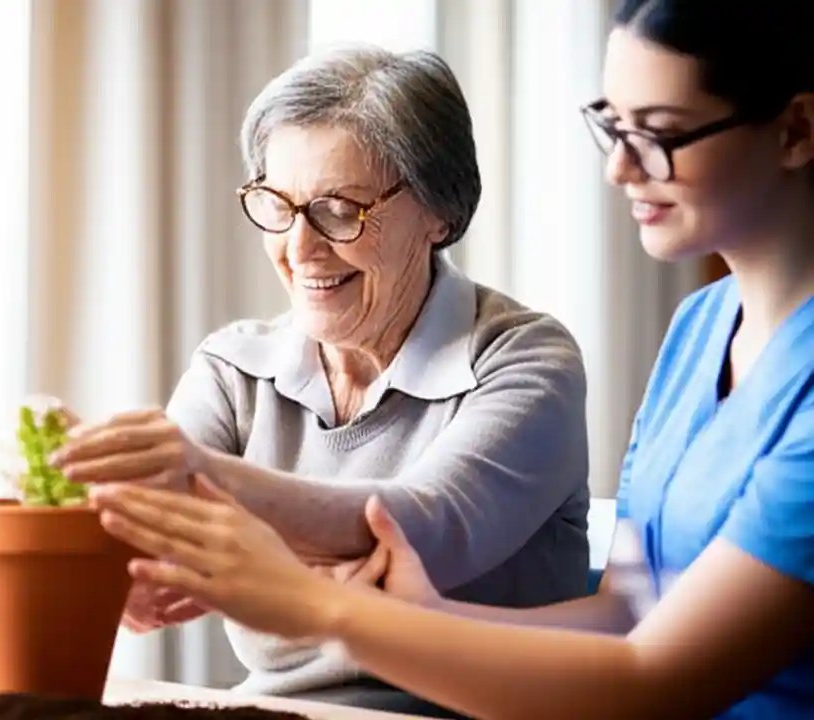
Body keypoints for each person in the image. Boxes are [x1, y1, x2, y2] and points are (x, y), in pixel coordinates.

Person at [87, 0, 814, 717]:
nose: (618, 170)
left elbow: (658, 678)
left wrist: (319, 603)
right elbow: (630, 611)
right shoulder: (699, 327)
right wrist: (417, 614)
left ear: (796, 130)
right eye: (613, 128)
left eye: (658, 133)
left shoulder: (529, 354)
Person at [49, 44, 590, 714]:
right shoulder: (234, 370)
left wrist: (197, 484)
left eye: (338, 210)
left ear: (440, 213)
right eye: (276, 203)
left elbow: (417, 529)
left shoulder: (527, 358)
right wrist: (118, 555)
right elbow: (144, 541)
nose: (299, 248)